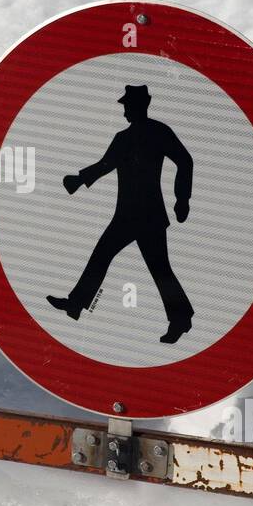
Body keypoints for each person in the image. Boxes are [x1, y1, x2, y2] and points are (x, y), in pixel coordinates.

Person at [46, 84, 195, 343]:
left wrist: (182, 199)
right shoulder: (123, 138)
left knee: (159, 269)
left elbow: (185, 160)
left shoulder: (159, 132)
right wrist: (79, 179)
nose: (124, 110)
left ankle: (180, 319)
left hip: (148, 216)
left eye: (127, 105)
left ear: (139, 106)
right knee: (102, 256)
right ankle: (76, 304)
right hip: (126, 215)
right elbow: (106, 165)